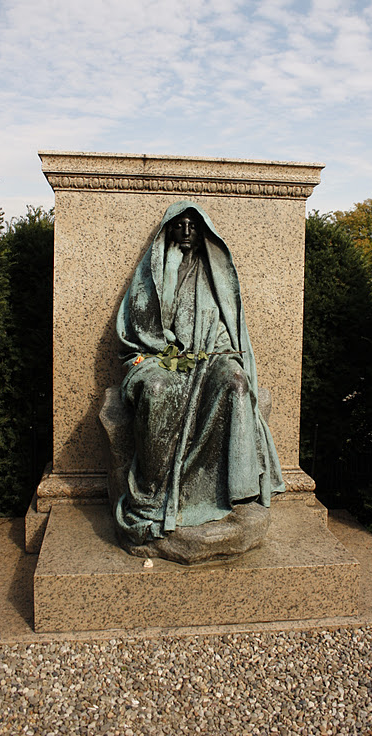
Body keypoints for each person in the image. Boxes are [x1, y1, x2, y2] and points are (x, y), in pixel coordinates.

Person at [115, 200, 284, 546]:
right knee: (158, 390)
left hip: (212, 355)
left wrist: (215, 354)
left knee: (235, 382)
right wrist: (165, 351)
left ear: (203, 232)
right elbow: (138, 329)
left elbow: (227, 328)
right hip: (159, 358)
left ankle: (234, 490)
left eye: (194, 225)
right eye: (180, 225)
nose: (187, 232)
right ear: (168, 231)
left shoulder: (214, 276)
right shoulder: (153, 273)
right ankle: (154, 489)